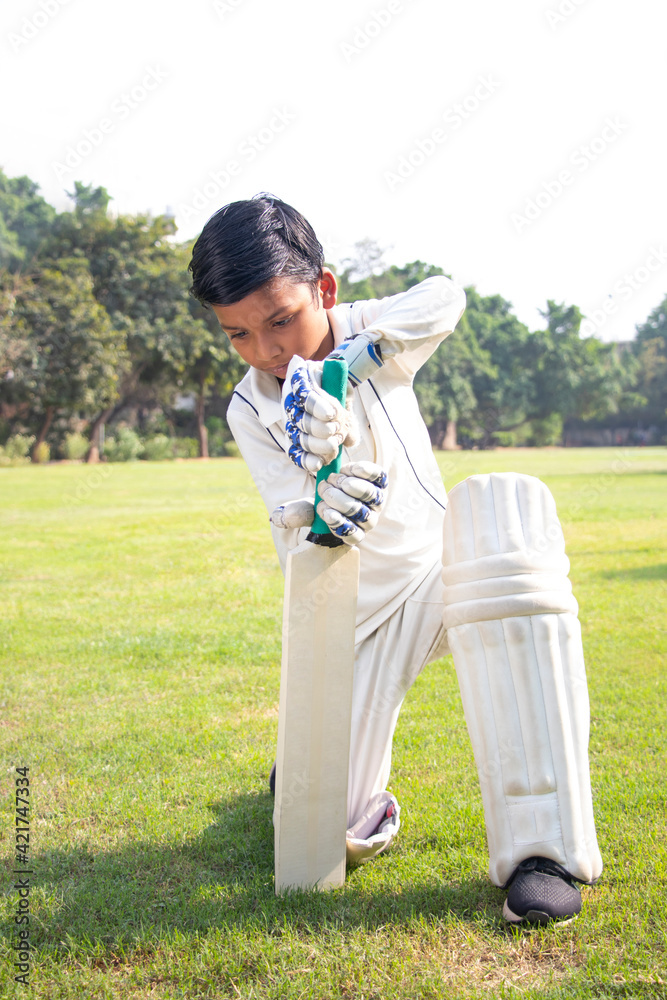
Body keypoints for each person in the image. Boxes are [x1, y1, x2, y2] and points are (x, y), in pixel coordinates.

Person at [188, 193, 602, 924]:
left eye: (281, 320)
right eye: (239, 336)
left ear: (324, 289)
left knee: (500, 521)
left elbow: (443, 296)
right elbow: (292, 520)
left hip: (451, 573)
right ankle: (302, 780)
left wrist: (363, 355)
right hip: (359, 616)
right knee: (321, 833)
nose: (269, 352)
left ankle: (544, 854)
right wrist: (321, 499)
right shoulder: (249, 406)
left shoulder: (365, 331)